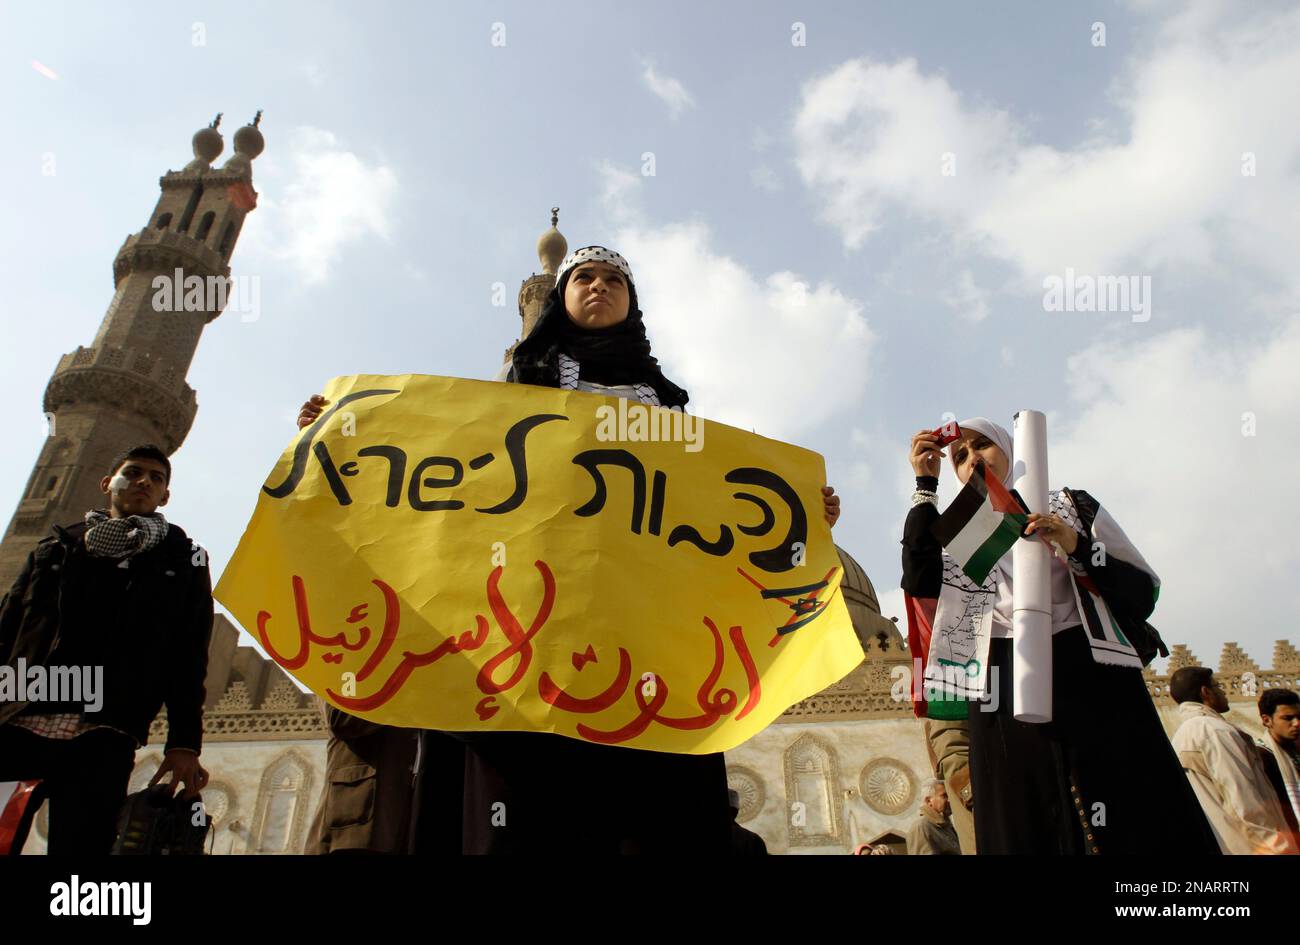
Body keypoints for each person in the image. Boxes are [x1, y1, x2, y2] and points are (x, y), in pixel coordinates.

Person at [298, 245, 841, 853]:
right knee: (527, 807)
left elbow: (710, 504)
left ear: (632, 303)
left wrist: (799, 512)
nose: (599, 287)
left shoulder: (664, 402)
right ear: (560, 295)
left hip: (643, 627)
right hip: (533, 620)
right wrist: (346, 432)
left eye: (614, 280)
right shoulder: (522, 386)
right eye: (583, 277)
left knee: (648, 802)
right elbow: (448, 473)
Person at [901, 418, 1218, 854]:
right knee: (1030, 812)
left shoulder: (1069, 505)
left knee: (1131, 802)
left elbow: (1139, 593)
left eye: (982, 446)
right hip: (1003, 678)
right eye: (960, 455)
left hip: (1090, 667)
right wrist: (924, 483)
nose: (973, 458)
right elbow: (919, 578)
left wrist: (1074, 544)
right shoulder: (963, 532)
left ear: (1010, 448)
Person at [0, 445, 213, 854]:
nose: (144, 482)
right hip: (20, 725)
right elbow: (9, 632)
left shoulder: (184, 562)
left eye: (156, 477)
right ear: (107, 483)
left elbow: (189, 654)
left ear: (165, 496)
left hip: (103, 733)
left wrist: (184, 743)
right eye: (133, 472)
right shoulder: (55, 550)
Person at [1169, 668, 1296, 854]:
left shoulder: (1182, 734)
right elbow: (1242, 800)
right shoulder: (1214, 731)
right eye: (1218, 686)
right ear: (1206, 692)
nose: (1223, 691)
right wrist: (1278, 850)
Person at [1256, 688, 1300, 840]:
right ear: (1267, 720)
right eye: (1288, 718)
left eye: (1299, 717)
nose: (1296, 723)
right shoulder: (1262, 756)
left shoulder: (1296, 749)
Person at [906, 780, 960, 855]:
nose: (950, 800)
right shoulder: (921, 827)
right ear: (929, 801)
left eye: (950, 796)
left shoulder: (945, 825)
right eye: (944, 796)